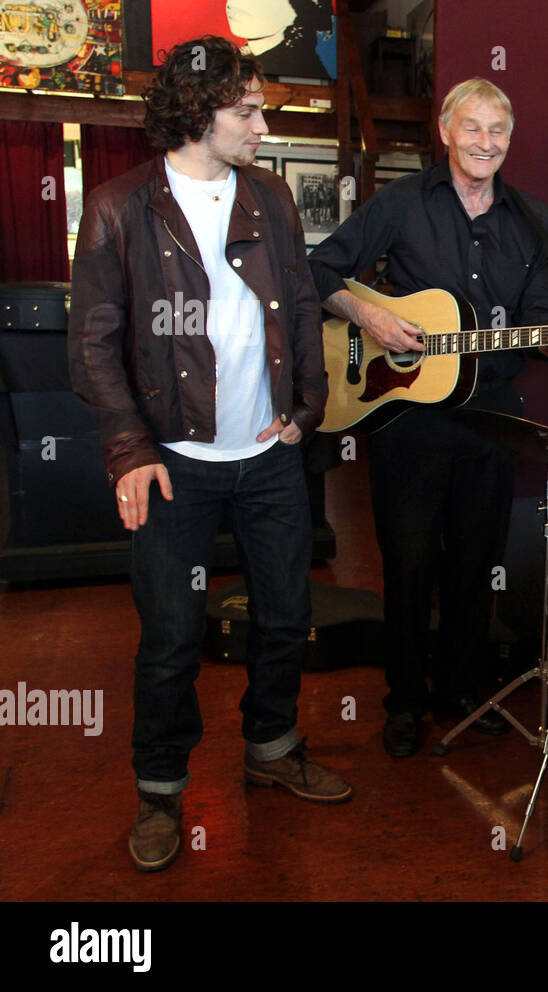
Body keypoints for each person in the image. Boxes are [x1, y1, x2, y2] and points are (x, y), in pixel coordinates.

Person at [67, 37, 351, 873]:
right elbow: (90, 346)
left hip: (268, 455)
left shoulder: (270, 198)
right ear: (198, 116)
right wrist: (128, 450)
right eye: (247, 111)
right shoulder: (122, 207)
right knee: (169, 633)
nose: (263, 125)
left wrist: (306, 410)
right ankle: (160, 791)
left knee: (283, 614)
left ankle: (272, 749)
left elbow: (302, 307)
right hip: (172, 460)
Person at [309, 78, 548, 757]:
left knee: (476, 562)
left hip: (493, 415)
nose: (484, 142)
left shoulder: (532, 218)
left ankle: (460, 690)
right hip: (406, 416)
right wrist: (369, 313)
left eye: (497, 131)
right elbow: (319, 271)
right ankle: (404, 699)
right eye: (472, 127)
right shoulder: (401, 204)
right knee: (406, 565)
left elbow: (547, 316)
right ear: (445, 129)